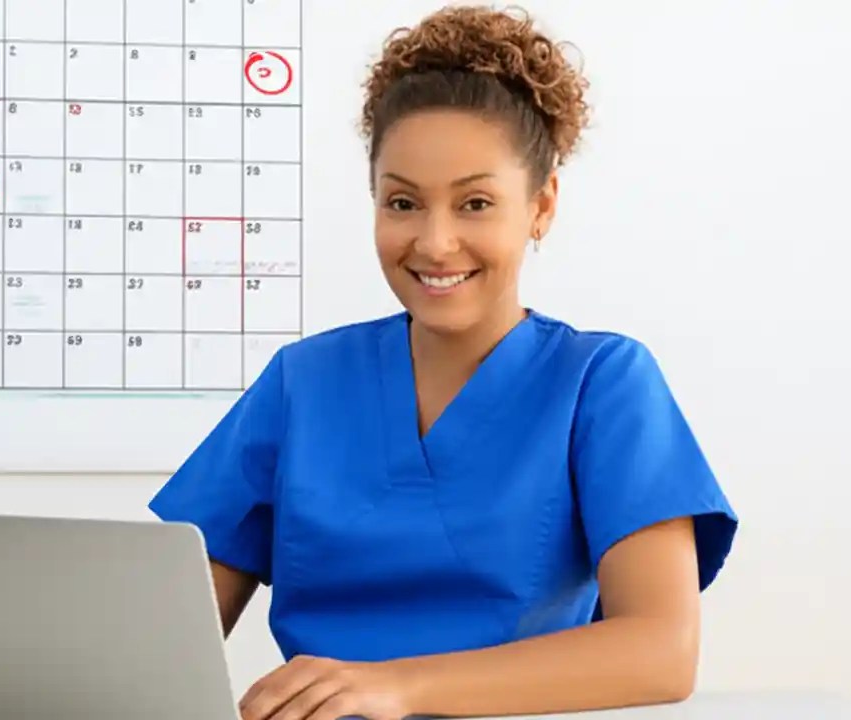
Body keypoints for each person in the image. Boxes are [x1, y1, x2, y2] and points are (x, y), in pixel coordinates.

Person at [150, 6, 738, 720]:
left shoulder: (601, 384)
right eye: (403, 202)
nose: (434, 242)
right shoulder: (303, 384)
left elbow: (661, 651)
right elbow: (158, 642)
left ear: (541, 205)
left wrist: (396, 685)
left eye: (476, 203)